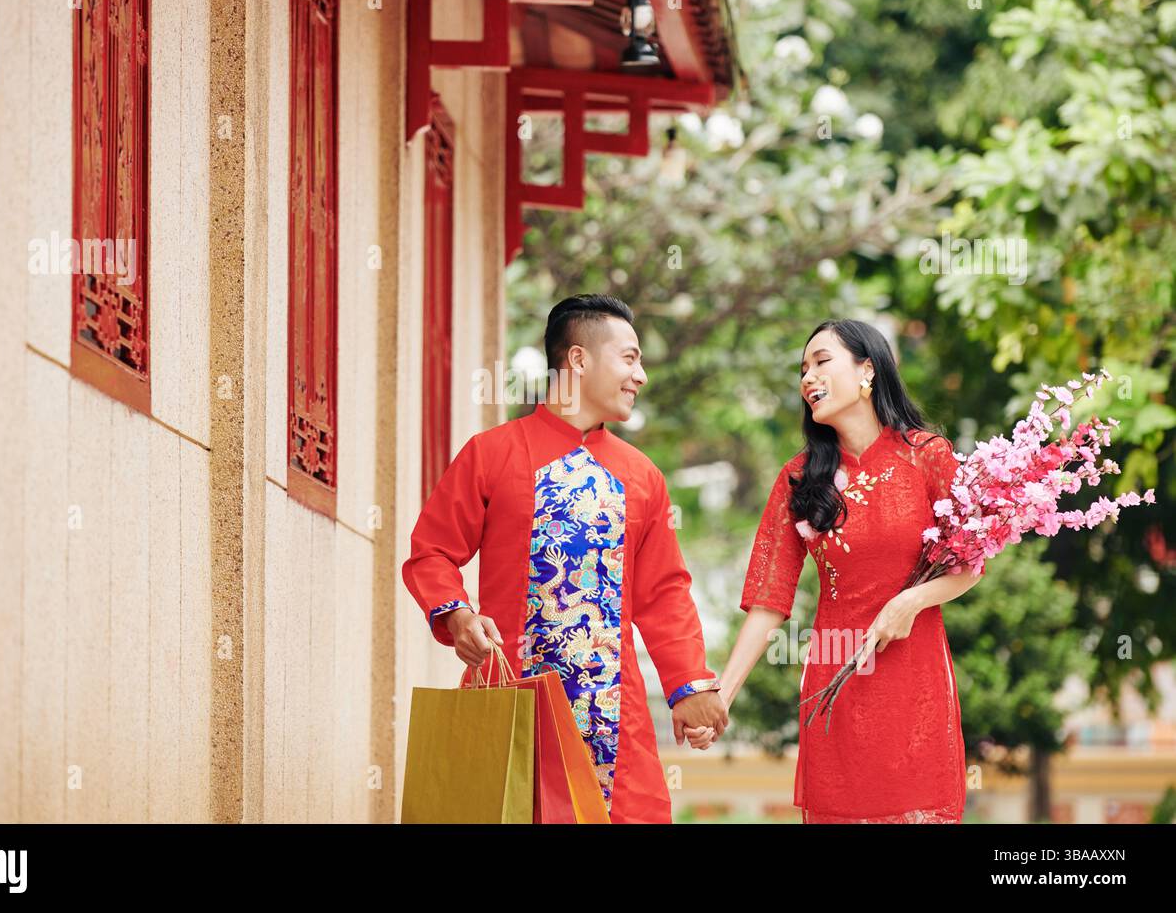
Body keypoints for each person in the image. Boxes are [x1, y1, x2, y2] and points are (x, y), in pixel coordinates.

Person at [402, 294, 728, 823]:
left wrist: (688, 685)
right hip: (511, 707)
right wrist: (455, 612)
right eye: (630, 357)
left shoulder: (642, 477)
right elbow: (432, 552)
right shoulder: (491, 454)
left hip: (615, 726)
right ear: (577, 360)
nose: (640, 375)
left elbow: (664, 593)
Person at [715, 319, 985, 823]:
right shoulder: (799, 480)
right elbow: (769, 600)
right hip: (836, 679)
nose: (807, 377)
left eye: (821, 361)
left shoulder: (928, 457)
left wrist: (910, 601)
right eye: (802, 369)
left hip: (915, 680)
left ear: (867, 370)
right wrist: (723, 695)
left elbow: (971, 561)